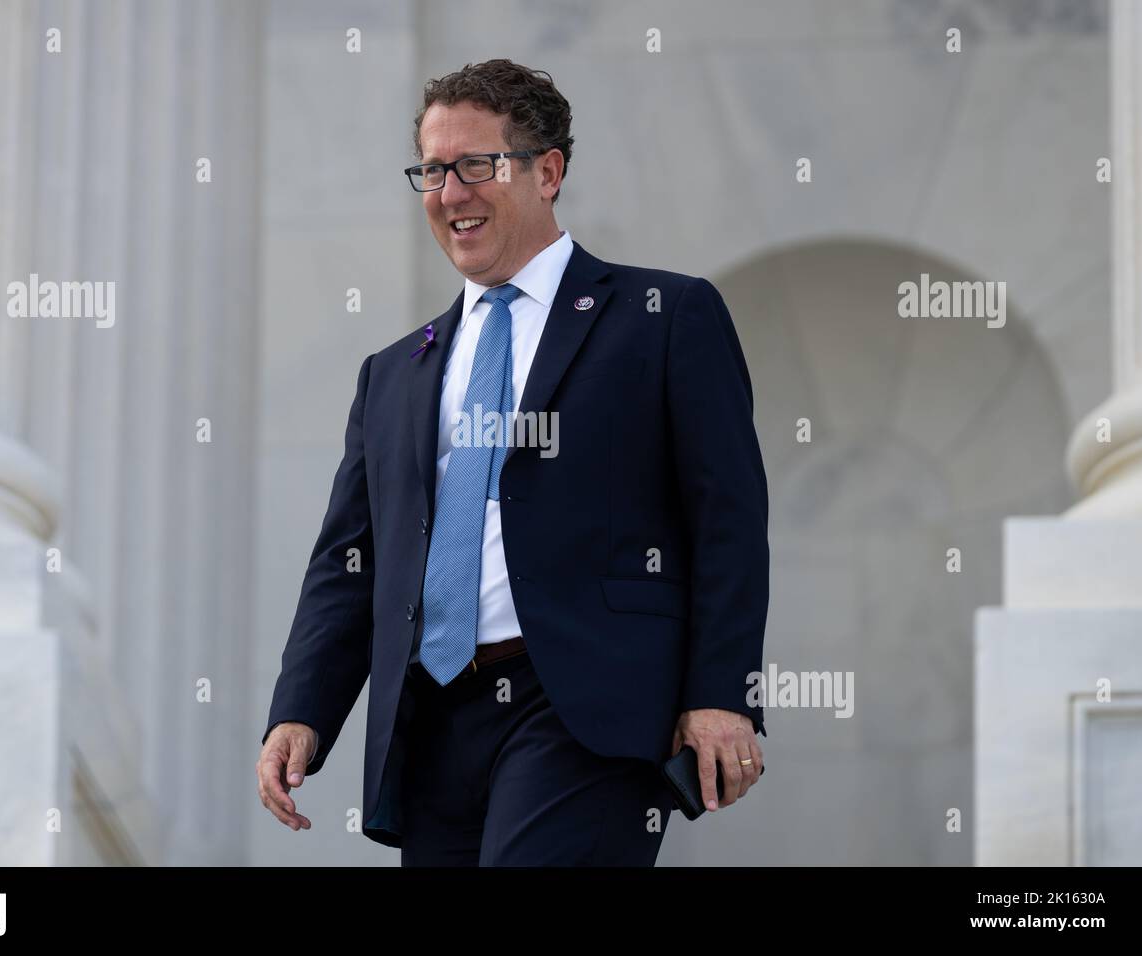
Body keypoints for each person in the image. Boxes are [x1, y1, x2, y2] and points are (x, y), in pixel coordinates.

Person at [257, 58, 769, 866]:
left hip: (582, 708)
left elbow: (728, 520)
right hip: (428, 723)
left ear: (548, 171)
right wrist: (303, 711)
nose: (450, 192)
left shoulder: (663, 317)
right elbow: (349, 564)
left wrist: (721, 696)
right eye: (432, 169)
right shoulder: (392, 373)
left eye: (476, 165)